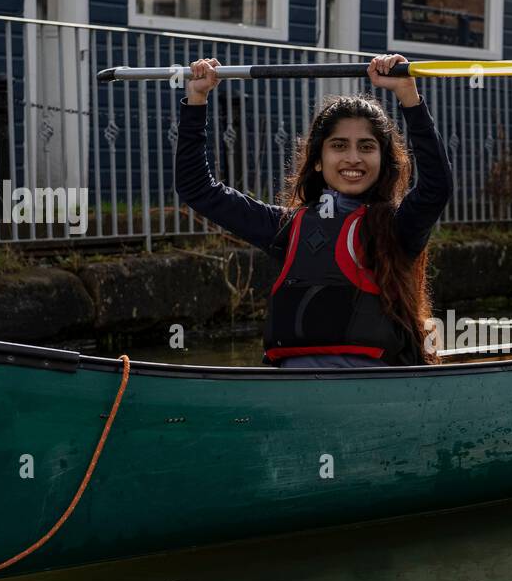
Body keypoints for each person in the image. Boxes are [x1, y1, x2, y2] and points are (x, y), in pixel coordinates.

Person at [174, 54, 452, 367]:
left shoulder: (398, 227)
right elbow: (197, 189)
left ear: (383, 162)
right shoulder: (287, 227)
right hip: (294, 390)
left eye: (366, 147)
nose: (353, 158)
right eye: (338, 146)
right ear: (318, 161)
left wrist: (408, 96)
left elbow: (436, 187)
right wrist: (197, 99)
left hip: (375, 392)